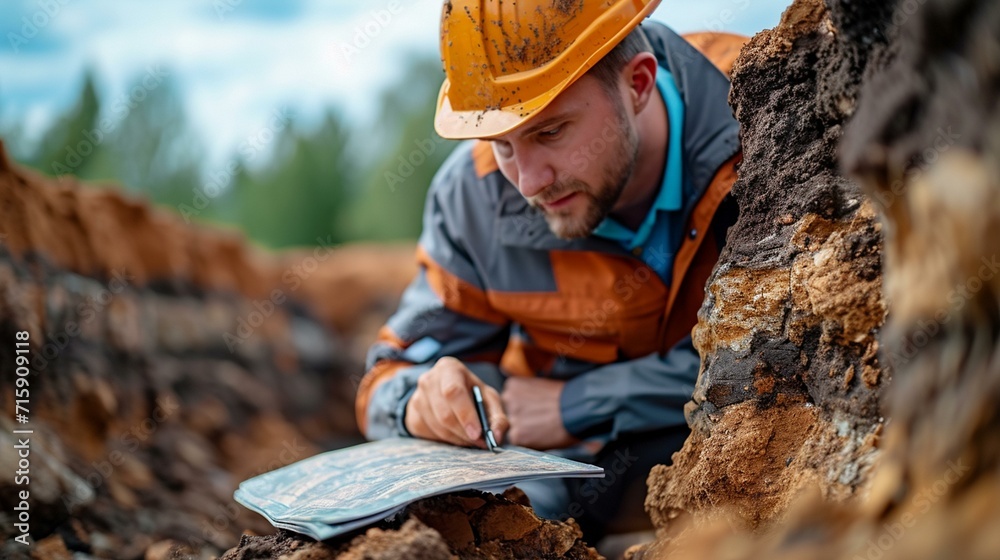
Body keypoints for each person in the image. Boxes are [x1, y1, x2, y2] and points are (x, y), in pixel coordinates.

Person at [355, 0, 742, 542]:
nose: (529, 184)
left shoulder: (768, 126)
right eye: (502, 145)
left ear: (638, 83)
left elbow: (803, 354)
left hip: (744, 460)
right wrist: (421, 401)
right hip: (567, 472)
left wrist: (581, 404)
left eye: (551, 132)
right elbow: (385, 380)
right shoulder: (472, 198)